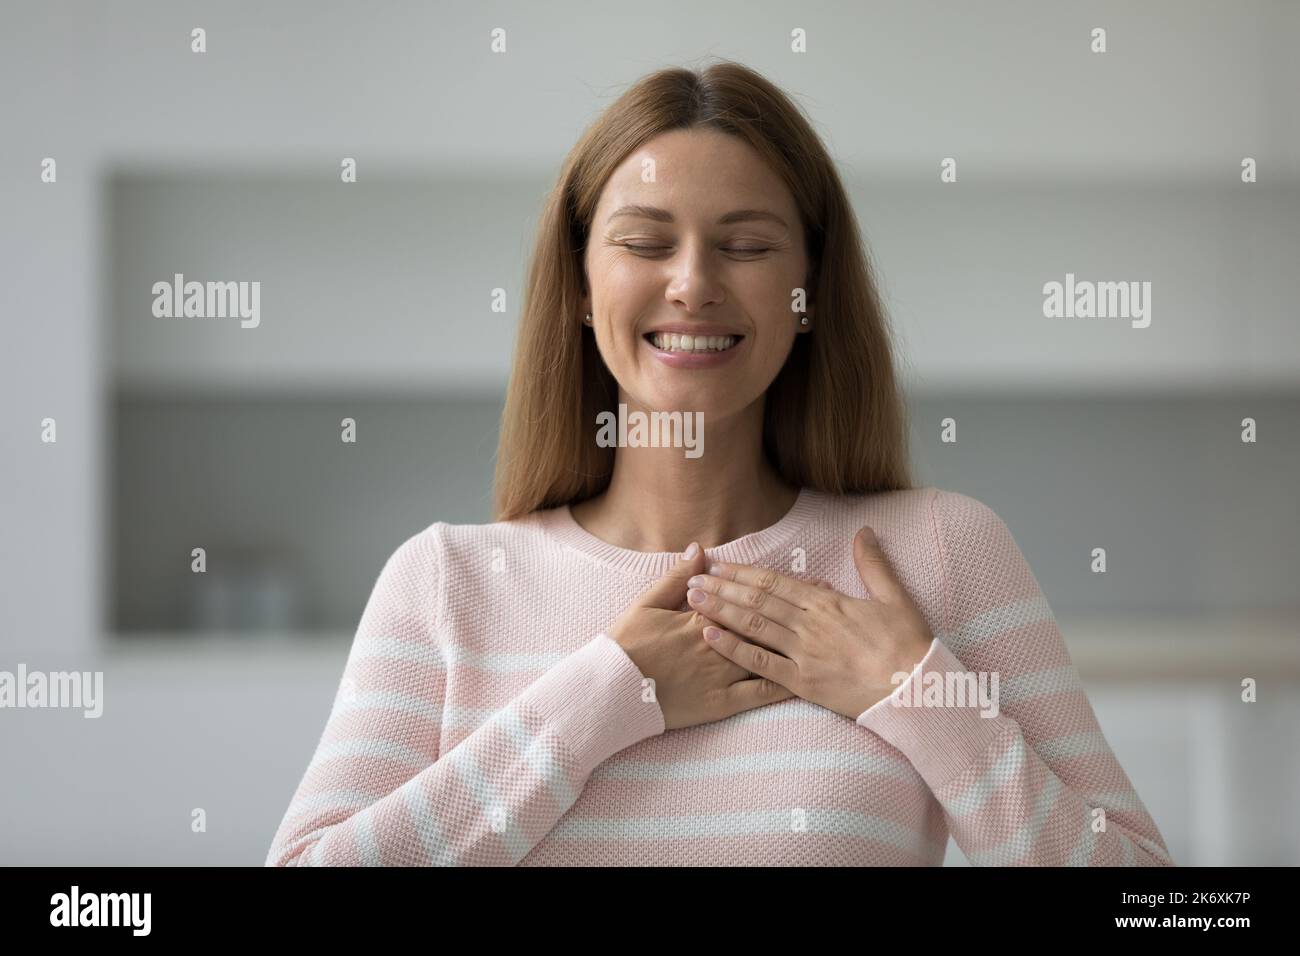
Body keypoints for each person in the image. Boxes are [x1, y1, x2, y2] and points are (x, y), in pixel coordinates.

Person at [265, 59, 1173, 866]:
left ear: (808, 293)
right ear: (582, 288)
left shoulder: (937, 554)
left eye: (746, 246)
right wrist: (598, 700)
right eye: (645, 242)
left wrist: (920, 697)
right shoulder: (446, 583)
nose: (694, 282)